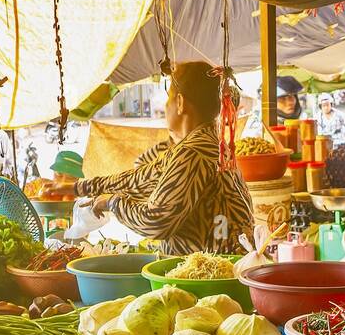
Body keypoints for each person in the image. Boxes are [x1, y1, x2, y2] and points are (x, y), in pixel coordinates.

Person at [71, 60, 252, 254]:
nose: (166, 107)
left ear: (180, 103)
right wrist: (79, 188)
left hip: (209, 276)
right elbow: (142, 177)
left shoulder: (192, 153)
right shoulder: (207, 143)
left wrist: (113, 203)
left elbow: (156, 221)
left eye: (169, 98)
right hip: (222, 267)